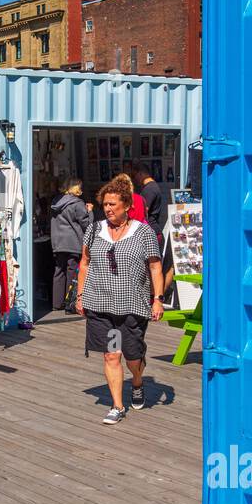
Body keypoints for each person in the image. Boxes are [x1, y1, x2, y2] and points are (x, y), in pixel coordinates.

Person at [75, 177, 166, 424]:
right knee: (111, 355)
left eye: (113, 204)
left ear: (126, 205)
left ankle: (136, 381)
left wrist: (158, 299)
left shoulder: (143, 232)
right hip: (101, 306)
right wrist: (81, 295)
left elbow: (155, 267)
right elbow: (85, 263)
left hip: (132, 306)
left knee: (132, 357)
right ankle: (117, 405)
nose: (108, 209)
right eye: (105, 204)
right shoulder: (94, 230)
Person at [50, 177, 92, 315]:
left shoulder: (56, 201)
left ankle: (57, 304)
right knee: (72, 272)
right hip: (73, 242)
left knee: (59, 271)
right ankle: (70, 303)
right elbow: (87, 224)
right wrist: (90, 211)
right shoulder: (77, 203)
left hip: (58, 242)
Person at [133, 162, 167, 249]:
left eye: (135, 175)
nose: (135, 179)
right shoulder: (151, 187)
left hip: (151, 232)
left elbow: (142, 210)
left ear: (140, 174)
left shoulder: (149, 189)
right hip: (152, 231)